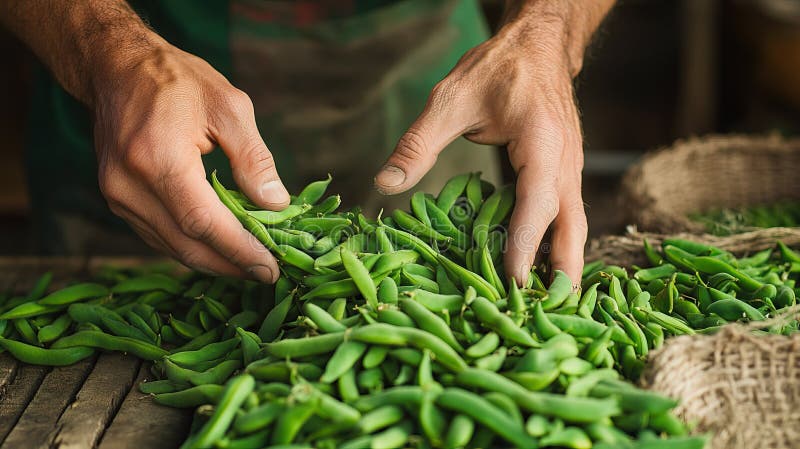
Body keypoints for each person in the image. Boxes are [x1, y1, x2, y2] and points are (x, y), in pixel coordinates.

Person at [0, 0, 614, 287]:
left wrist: (547, 30)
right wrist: (107, 49)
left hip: (423, 76)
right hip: (144, 77)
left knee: (448, 267)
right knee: (138, 302)